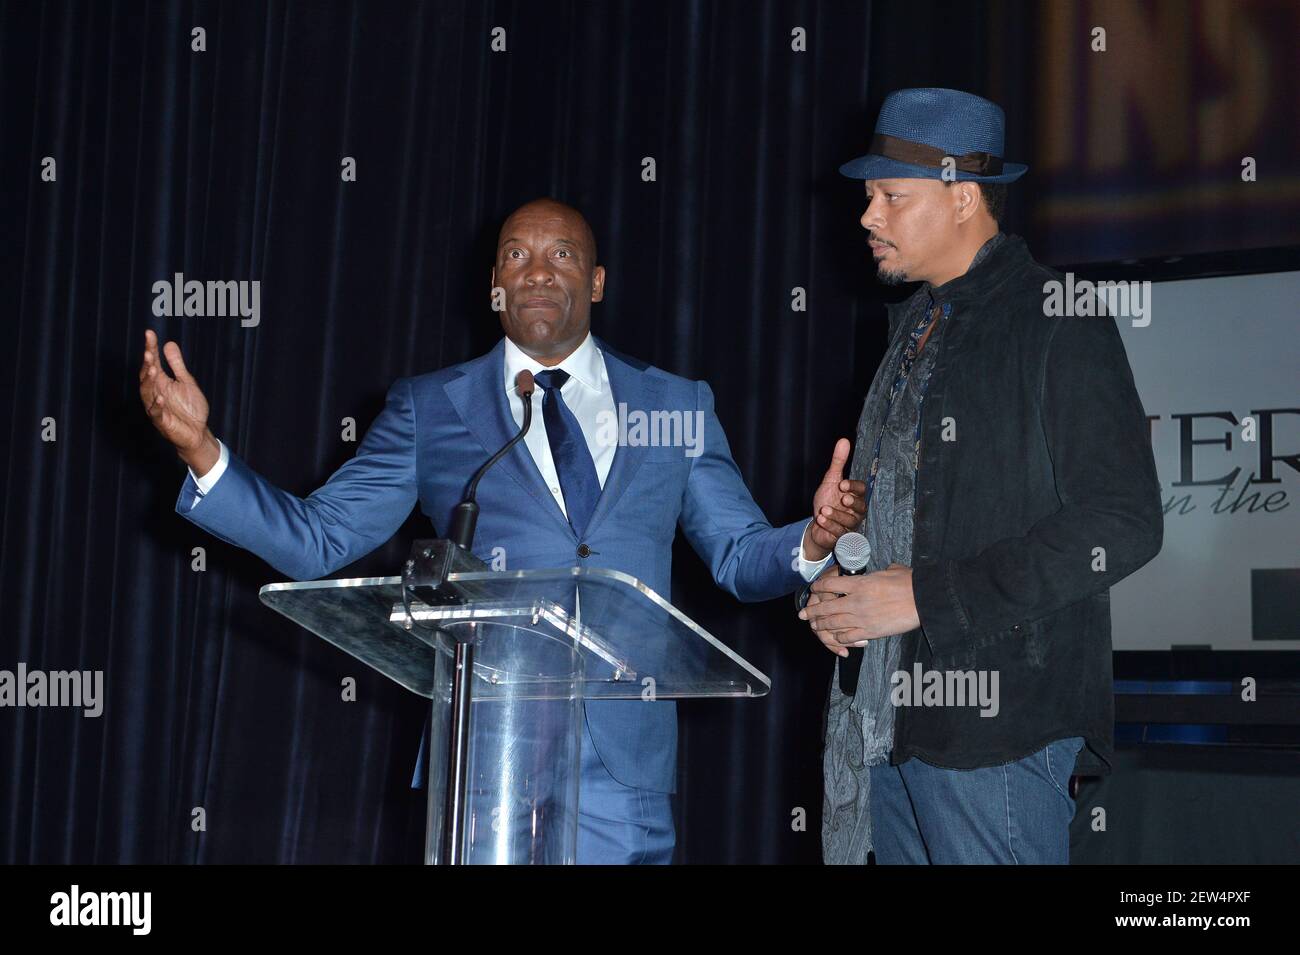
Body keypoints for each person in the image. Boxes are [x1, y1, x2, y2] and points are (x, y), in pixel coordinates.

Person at [140, 197, 866, 864]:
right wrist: (203, 452)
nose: (538, 272)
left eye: (562, 255)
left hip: (623, 756)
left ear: (599, 280)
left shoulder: (675, 404)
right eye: (517, 256)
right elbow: (318, 537)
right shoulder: (432, 408)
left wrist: (812, 540)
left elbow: (739, 555)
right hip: (487, 754)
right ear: (494, 282)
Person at [799, 89, 1163, 864]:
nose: (867, 216)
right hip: (889, 720)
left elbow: (1123, 521)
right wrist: (846, 546)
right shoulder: (916, 326)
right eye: (868, 197)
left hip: (996, 728)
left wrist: (923, 595)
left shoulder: (1056, 313)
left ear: (963, 197)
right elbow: (927, 511)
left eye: (891, 195)